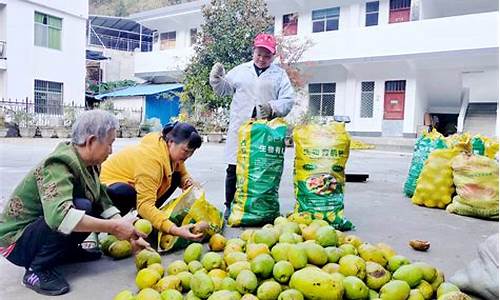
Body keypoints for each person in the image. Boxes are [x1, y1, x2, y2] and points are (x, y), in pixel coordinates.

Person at [0, 110, 149, 296]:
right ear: (91, 141)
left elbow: (101, 196)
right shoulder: (58, 164)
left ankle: (66, 252)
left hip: (41, 227)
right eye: (109, 144)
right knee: (80, 208)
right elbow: (59, 217)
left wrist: (125, 227)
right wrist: (113, 228)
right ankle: (37, 270)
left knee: (121, 193)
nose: (111, 151)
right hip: (16, 243)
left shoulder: (91, 164)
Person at [209, 33, 295, 219]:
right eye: (259, 54)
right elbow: (224, 90)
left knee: (263, 170)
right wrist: (216, 79)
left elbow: (288, 100)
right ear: (253, 51)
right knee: (233, 168)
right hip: (240, 128)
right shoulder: (240, 71)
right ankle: (230, 205)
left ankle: (262, 207)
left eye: (267, 56)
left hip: (265, 131)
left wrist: (272, 107)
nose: (262, 59)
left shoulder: (279, 75)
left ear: (274, 56)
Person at [100, 122, 204, 244]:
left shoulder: (171, 151)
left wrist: (187, 181)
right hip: (107, 189)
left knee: (175, 176)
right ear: (171, 142)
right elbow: (144, 204)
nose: (188, 156)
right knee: (126, 193)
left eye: (191, 152)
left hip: (136, 185)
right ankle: (114, 228)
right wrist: (174, 229)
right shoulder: (151, 160)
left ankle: (143, 223)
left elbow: (181, 172)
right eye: (185, 151)